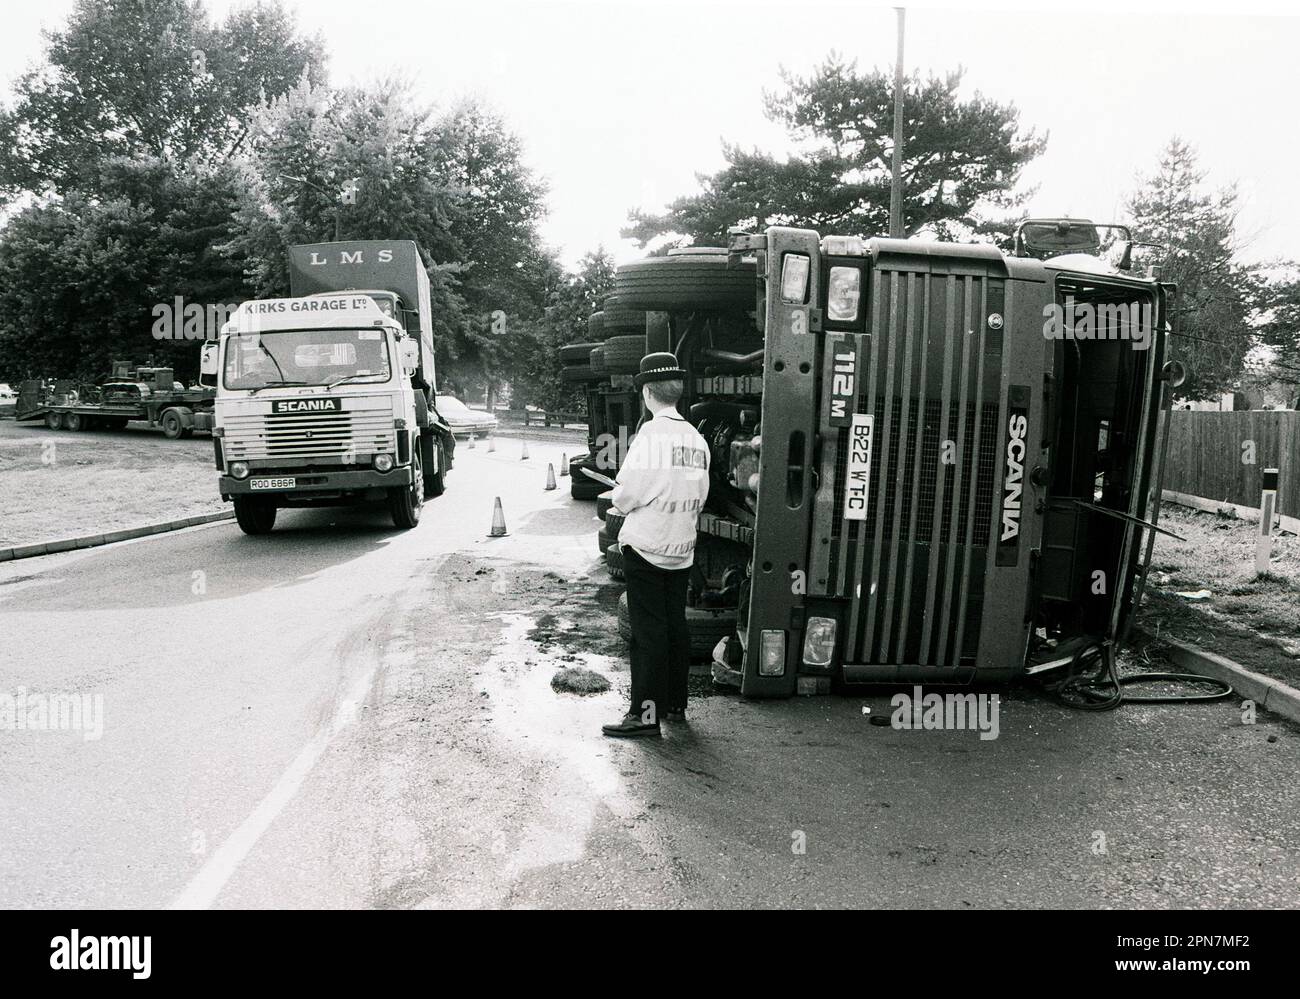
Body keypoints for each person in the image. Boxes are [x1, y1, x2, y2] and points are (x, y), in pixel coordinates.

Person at [602, 353, 710, 739]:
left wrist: (619, 496)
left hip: (647, 548)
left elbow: (627, 496)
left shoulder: (649, 437)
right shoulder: (697, 440)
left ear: (648, 392)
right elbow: (699, 493)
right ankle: (675, 706)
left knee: (647, 633)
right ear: (676, 392)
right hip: (681, 551)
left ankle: (645, 716)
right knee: (674, 628)